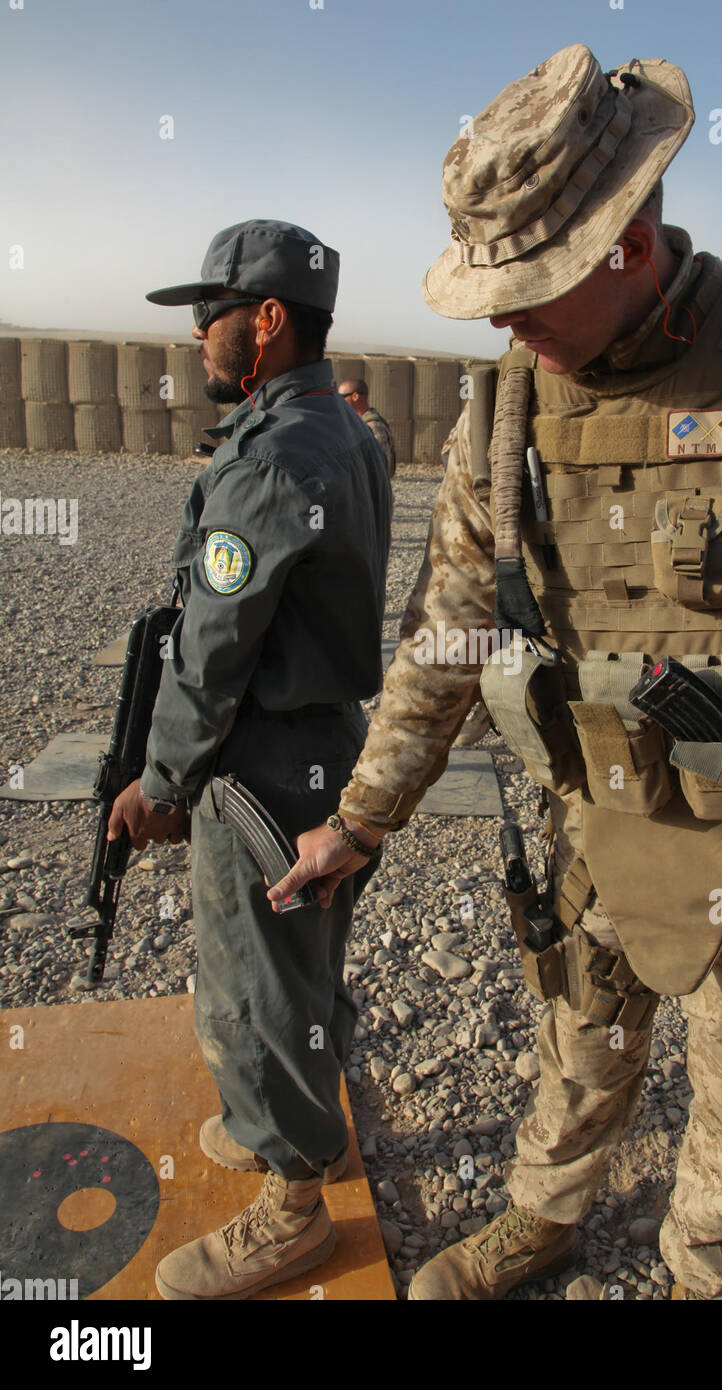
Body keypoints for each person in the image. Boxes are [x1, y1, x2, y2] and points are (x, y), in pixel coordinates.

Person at [268, 48, 722, 1302]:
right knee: (581, 1035)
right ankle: (546, 1215)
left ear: (626, 243)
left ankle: (702, 1288)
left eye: (526, 295)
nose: (501, 327)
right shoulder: (507, 416)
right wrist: (361, 818)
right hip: (610, 823)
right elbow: (448, 633)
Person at [108, 218, 392, 1300]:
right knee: (301, 969)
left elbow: (213, 651)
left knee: (255, 983)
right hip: (324, 750)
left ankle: (293, 1208)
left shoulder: (273, 456)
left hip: (264, 763)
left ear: (265, 321)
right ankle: (272, 1124)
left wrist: (161, 782)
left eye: (210, 315)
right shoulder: (341, 427)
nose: (195, 336)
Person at [338, 378, 397, 476]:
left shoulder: (374, 427)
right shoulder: (358, 424)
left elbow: (380, 467)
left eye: (341, 397)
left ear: (355, 396)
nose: (338, 401)